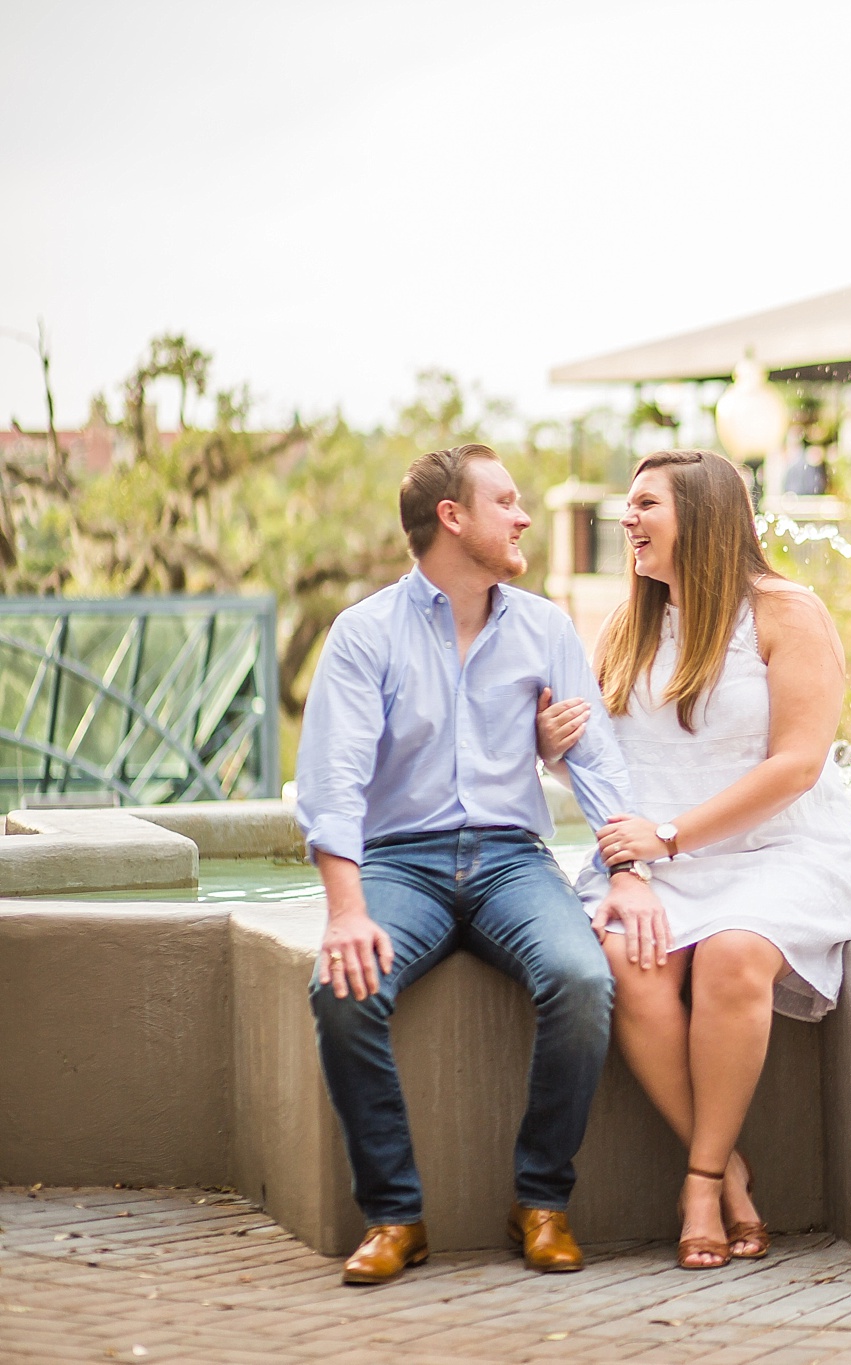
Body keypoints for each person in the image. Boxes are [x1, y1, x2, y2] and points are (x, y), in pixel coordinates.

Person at [296, 443, 666, 1286]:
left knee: (580, 977)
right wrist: (346, 909)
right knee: (341, 986)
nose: (525, 514)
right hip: (401, 862)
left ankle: (540, 1199)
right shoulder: (364, 635)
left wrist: (629, 872)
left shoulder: (544, 627)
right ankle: (394, 1214)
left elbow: (596, 760)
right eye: (505, 500)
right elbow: (334, 781)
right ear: (452, 518)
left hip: (511, 860)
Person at [538, 449, 851, 1270]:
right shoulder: (627, 624)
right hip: (667, 861)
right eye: (629, 504)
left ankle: (697, 1181)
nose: (627, 520)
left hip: (780, 850)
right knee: (628, 958)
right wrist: (552, 751)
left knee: (731, 957)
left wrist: (673, 835)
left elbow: (797, 765)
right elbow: (606, 762)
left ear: (704, 513)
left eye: (646, 504)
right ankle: (730, 1173)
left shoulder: (787, 613)